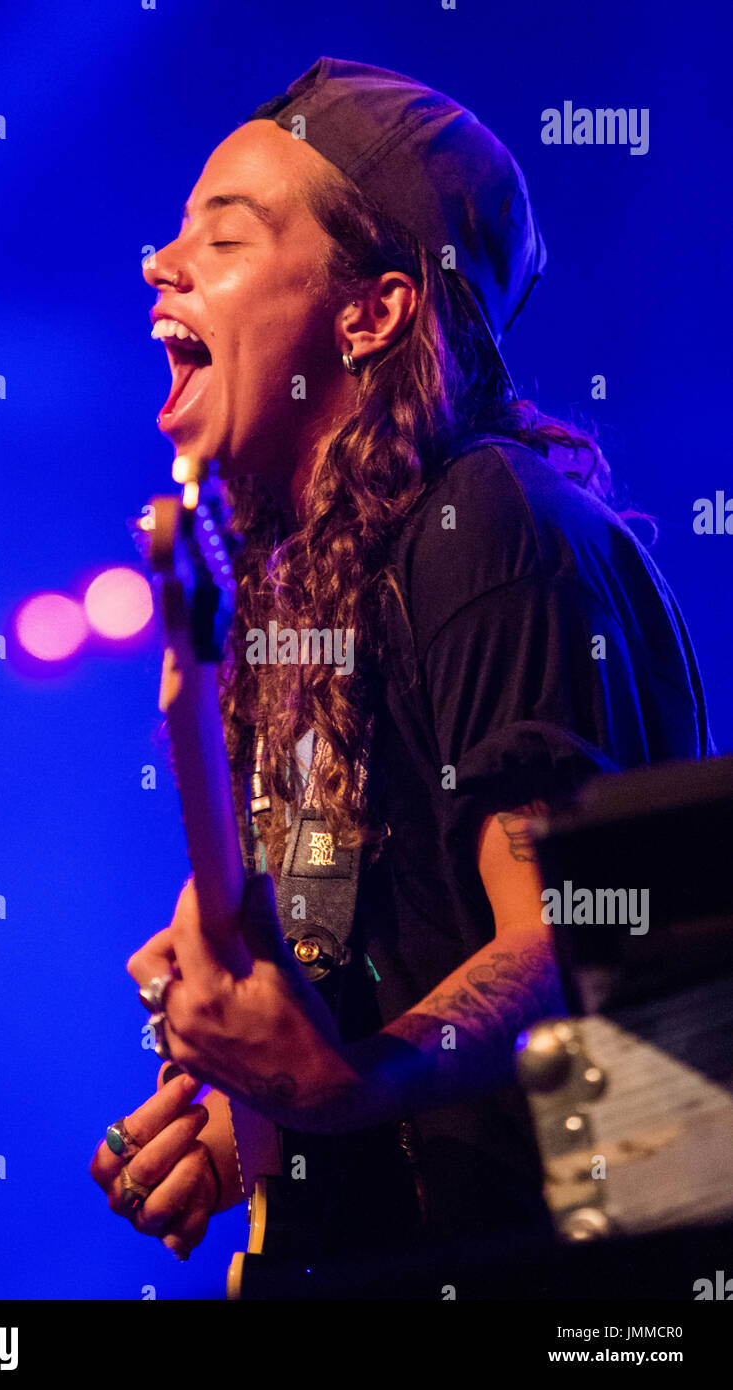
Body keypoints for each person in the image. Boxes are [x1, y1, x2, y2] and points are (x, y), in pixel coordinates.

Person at [90, 58, 713, 1272]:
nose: (160, 268)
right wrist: (247, 1129)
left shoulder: (489, 521)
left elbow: (578, 933)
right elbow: (360, 968)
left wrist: (344, 1085)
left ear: (369, 315)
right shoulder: (308, 586)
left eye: (221, 240)